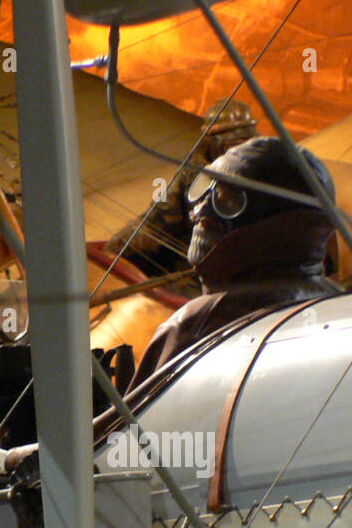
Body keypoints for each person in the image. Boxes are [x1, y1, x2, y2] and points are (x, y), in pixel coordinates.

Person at [128, 135, 339, 390]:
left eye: (227, 200)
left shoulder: (195, 325)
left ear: (279, 225)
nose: (200, 212)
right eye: (203, 191)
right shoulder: (343, 304)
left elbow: (132, 428)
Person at [105, 100, 258, 285]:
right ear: (210, 143)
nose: (238, 155)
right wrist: (111, 252)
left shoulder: (264, 174)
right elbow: (156, 220)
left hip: (221, 278)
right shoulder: (193, 175)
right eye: (231, 147)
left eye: (245, 145)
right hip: (202, 266)